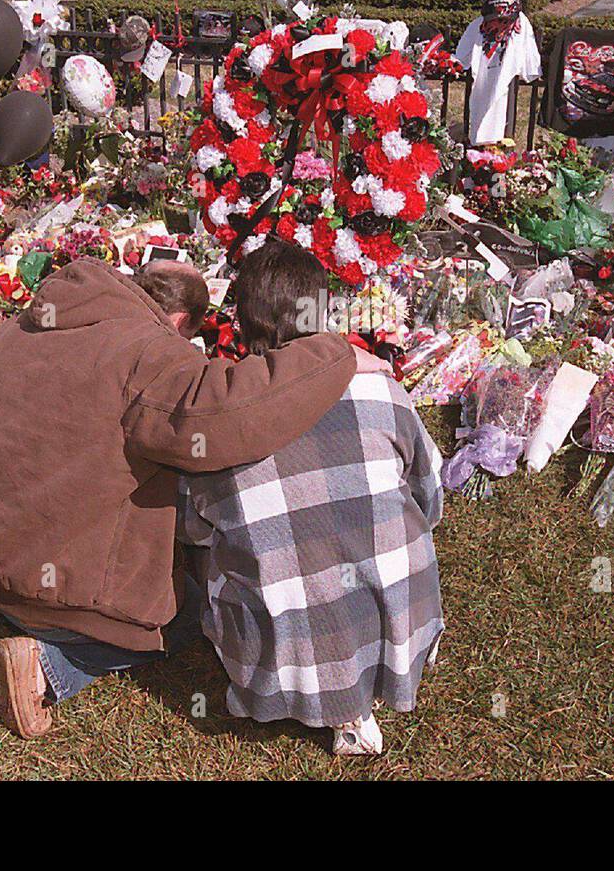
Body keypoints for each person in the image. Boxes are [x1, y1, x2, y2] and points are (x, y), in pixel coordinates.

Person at [0, 257, 388, 738]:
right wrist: (333, 355)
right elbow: (231, 414)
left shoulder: (20, 328)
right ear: (180, 322)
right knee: (189, 613)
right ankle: (50, 669)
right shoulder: (147, 357)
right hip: (41, 590)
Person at [178, 241, 445, 756]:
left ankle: (301, 677)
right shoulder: (381, 389)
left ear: (242, 322)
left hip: (282, 663)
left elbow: (191, 528)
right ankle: (369, 676)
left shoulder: (217, 414)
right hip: (402, 623)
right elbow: (429, 495)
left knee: (203, 546)